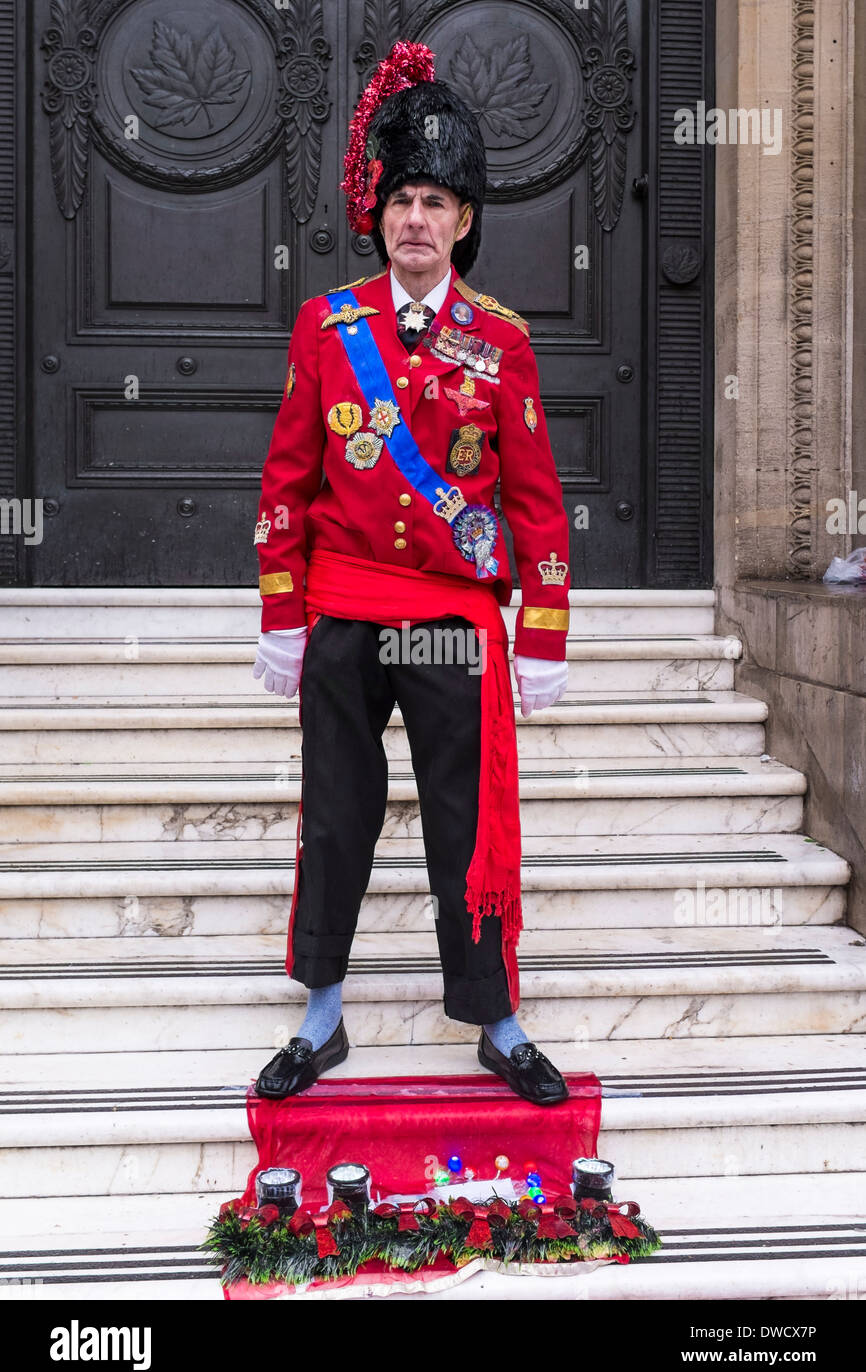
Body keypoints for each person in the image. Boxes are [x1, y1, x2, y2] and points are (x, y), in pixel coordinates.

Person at [251, 41, 572, 1106]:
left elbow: (532, 500)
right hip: (343, 607)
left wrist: (541, 634)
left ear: (464, 221)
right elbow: (289, 473)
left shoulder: (502, 342)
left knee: (464, 823)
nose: (415, 221)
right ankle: (321, 1012)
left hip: (447, 618)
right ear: (377, 216)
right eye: (399, 201)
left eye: (434, 201)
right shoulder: (326, 326)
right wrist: (282, 613)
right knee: (336, 813)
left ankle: (496, 1018)